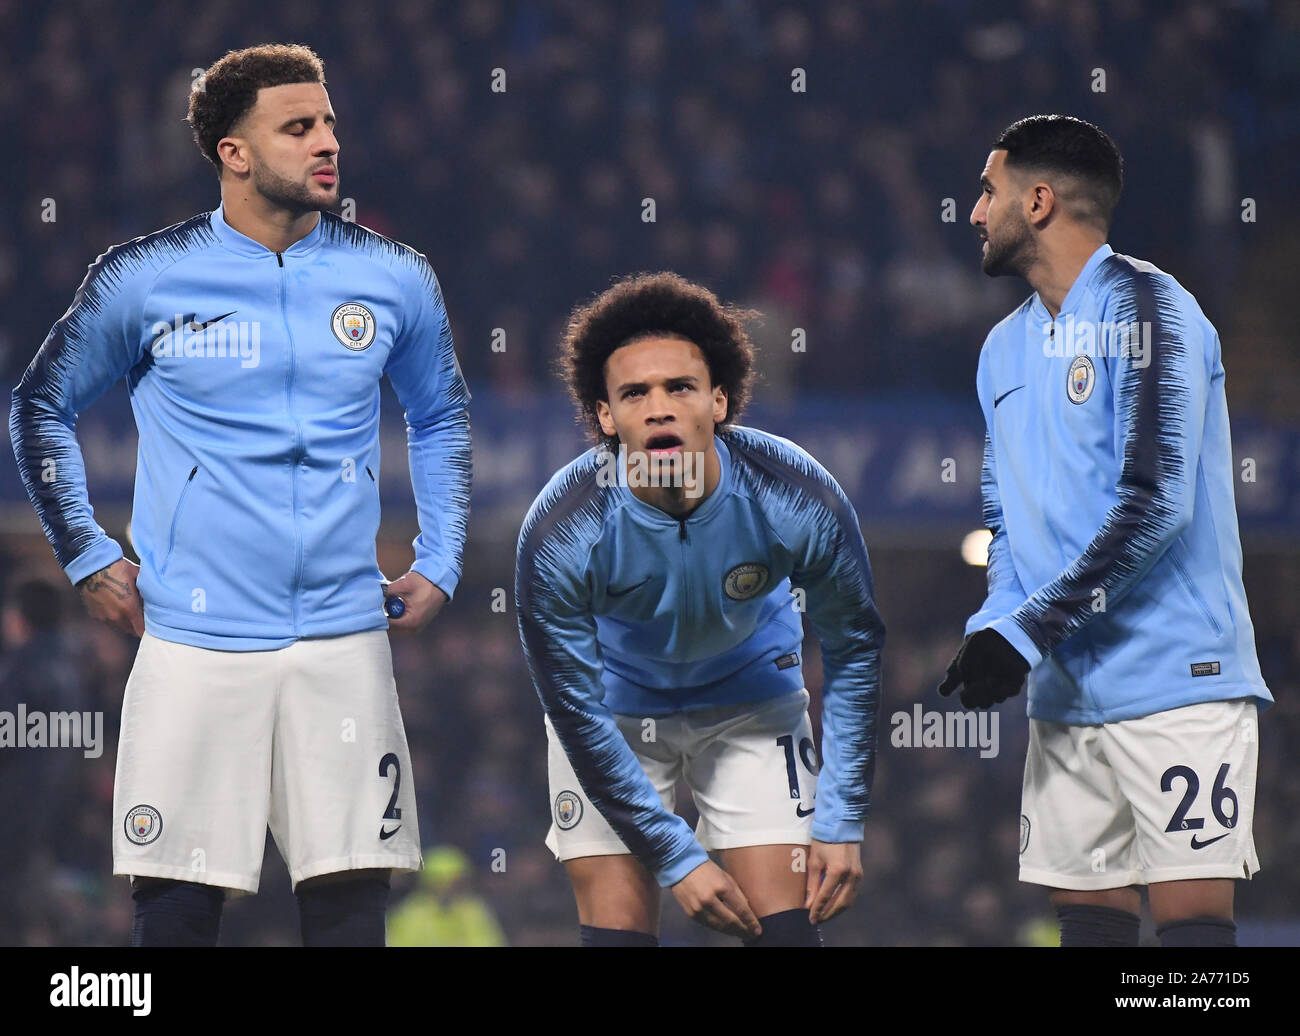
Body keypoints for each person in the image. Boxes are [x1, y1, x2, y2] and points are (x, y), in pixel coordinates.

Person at [8, 43, 471, 947]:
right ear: (235, 152)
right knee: (177, 906)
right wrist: (88, 553)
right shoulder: (145, 277)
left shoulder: (396, 276)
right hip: (193, 643)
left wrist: (445, 557)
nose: (327, 143)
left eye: (330, 123)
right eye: (298, 128)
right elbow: (38, 408)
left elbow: (442, 417)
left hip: (343, 639)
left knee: (348, 903)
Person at [944, 114, 1272, 947]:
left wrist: (1028, 630)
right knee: (1089, 932)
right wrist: (995, 627)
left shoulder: (1150, 307)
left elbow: (1157, 500)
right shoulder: (1000, 351)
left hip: (1177, 679)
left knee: (1193, 942)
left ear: (1041, 200)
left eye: (989, 191)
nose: (975, 212)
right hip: (1066, 694)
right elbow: (1005, 521)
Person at [515, 272, 884, 947]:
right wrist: (678, 857)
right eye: (634, 393)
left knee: (786, 936)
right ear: (605, 417)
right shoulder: (561, 530)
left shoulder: (796, 496)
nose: (659, 408)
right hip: (614, 722)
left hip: (752, 707)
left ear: (718, 401)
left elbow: (854, 647)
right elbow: (572, 707)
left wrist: (841, 816)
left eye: (679, 388)